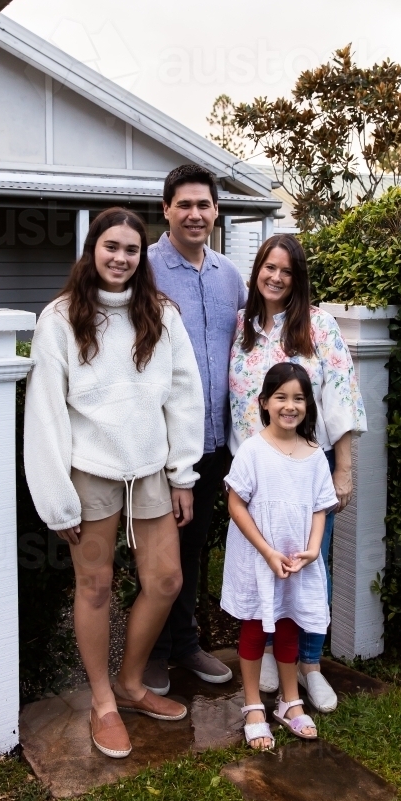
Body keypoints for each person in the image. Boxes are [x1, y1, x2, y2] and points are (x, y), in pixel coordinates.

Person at [24, 207, 205, 759]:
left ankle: (130, 684)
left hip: (150, 469)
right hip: (91, 475)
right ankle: (102, 700)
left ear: (141, 256)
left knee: (167, 580)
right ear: (92, 250)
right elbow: (46, 411)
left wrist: (182, 474)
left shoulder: (161, 313)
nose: (121, 258)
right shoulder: (60, 317)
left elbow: (183, 394)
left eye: (131, 249)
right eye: (111, 247)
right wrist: (57, 500)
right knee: (96, 587)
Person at [229, 234, 366, 712]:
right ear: (257, 270)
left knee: (308, 564)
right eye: (269, 267)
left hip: (309, 467)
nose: (276, 277)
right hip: (256, 471)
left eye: (287, 270)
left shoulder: (319, 328)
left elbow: (342, 399)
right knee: (261, 563)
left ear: (297, 278)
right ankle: (269, 650)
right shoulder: (243, 325)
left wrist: (344, 470)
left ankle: (309, 665)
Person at [145, 163, 247, 694]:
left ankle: (185, 645)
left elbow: (259, 340)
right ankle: (153, 654)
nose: (194, 214)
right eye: (183, 204)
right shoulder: (145, 271)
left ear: (215, 211)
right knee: (159, 555)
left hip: (216, 445)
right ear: (165, 209)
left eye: (203, 205)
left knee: (192, 551)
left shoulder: (231, 276)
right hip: (162, 449)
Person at [223, 363, 337, 749]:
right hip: (261, 560)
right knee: (255, 628)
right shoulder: (253, 450)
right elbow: (235, 505)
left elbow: (321, 507)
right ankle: (254, 704)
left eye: (299, 398)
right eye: (282, 397)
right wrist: (268, 552)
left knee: (291, 625)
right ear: (265, 403)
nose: (291, 406)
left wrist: (311, 551)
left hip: (297, 561)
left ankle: (290, 702)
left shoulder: (315, 454)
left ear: (309, 405)